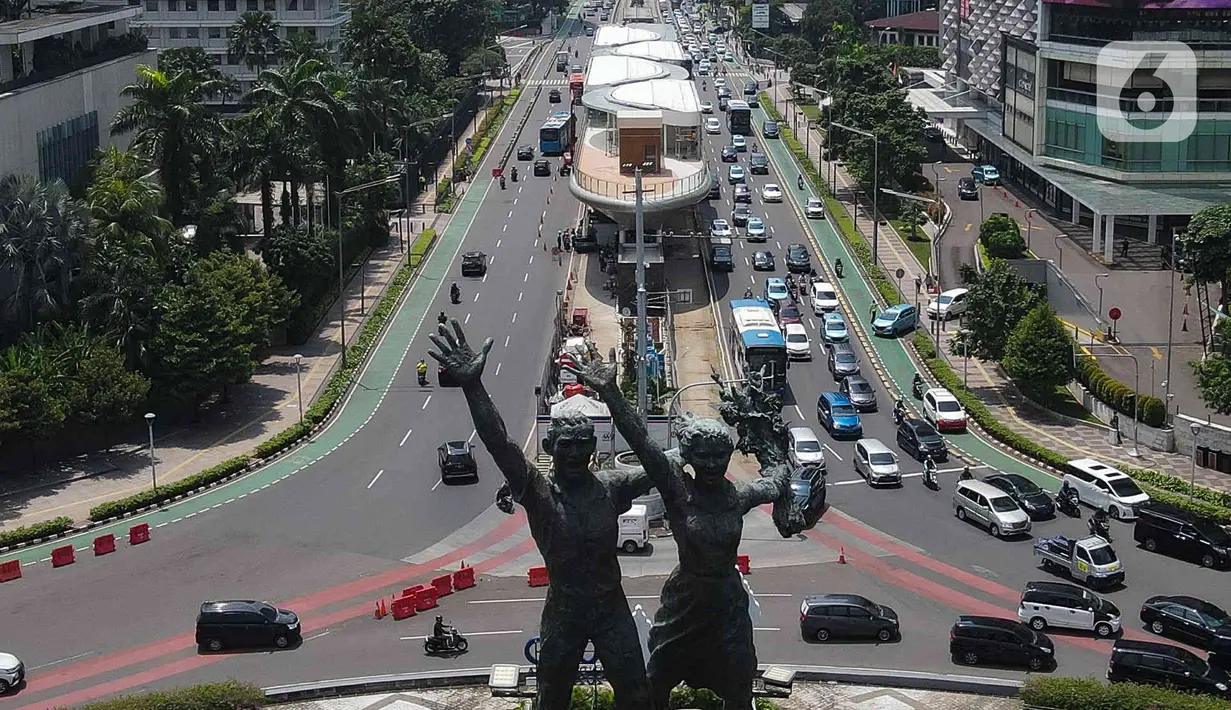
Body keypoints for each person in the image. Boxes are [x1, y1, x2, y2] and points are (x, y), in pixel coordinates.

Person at [430, 324, 655, 710]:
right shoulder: (539, 492)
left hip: (610, 607)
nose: (575, 452)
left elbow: (656, 463)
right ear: (551, 446)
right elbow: (499, 442)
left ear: (593, 445)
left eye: (583, 443)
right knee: (551, 700)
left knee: (638, 696)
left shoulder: (612, 486)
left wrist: (612, 393)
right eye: (566, 444)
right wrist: (472, 386)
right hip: (564, 612)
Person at [573, 361, 805, 710]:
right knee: (657, 681)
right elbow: (642, 442)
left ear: (729, 457)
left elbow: (775, 479)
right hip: (686, 599)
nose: (711, 464)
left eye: (719, 456)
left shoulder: (739, 497)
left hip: (727, 600)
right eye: (703, 456)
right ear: (689, 457)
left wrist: (773, 447)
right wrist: (610, 392)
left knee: (740, 681)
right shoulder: (678, 492)